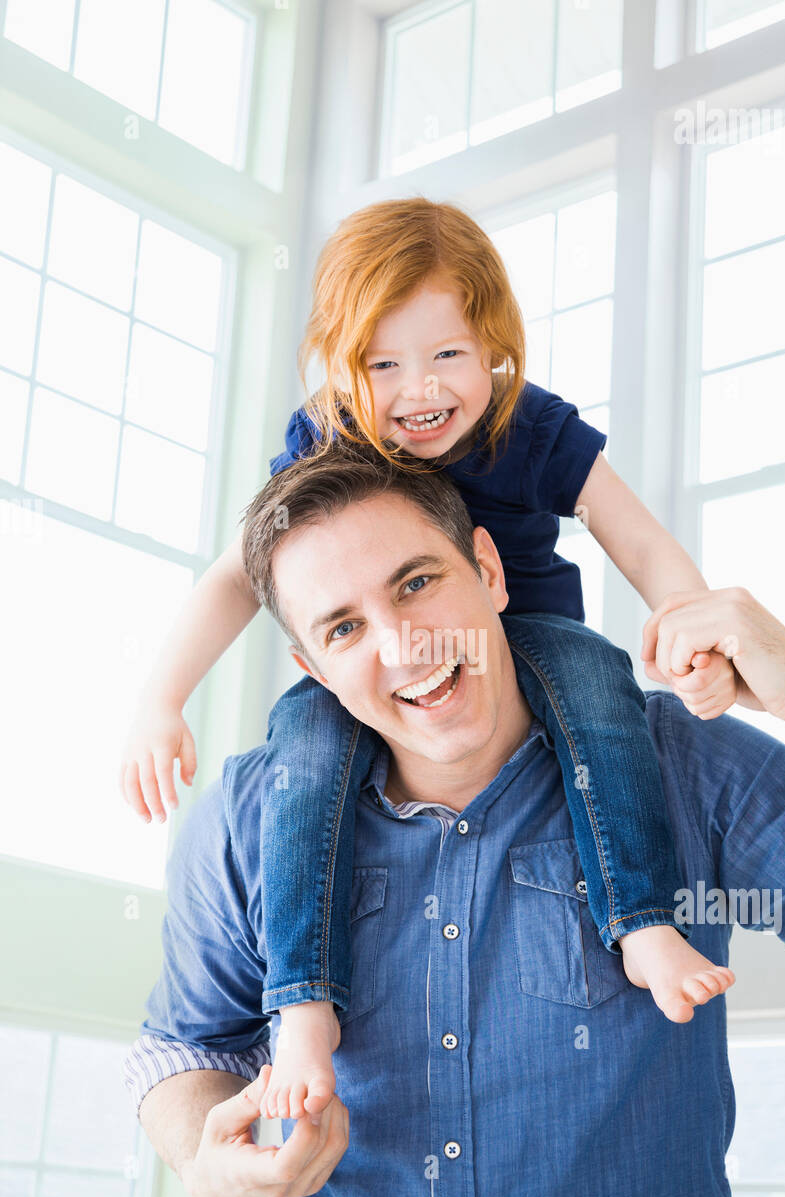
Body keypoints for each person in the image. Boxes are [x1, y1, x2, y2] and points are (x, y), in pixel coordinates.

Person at [126, 445, 785, 1197]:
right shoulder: (246, 820)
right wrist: (202, 1167)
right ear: (314, 671)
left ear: (488, 568)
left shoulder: (680, 765)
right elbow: (185, 1041)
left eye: (417, 583)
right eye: (344, 627)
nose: (405, 644)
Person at [126, 196, 742, 1125]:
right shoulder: (328, 438)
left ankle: (643, 918)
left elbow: (639, 537)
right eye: (384, 364)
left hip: (525, 634)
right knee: (302, 749)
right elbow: (236, 576)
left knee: (600, 689)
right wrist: (161, 698)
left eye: (447, 355)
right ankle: (301, 1001)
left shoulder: (529, 428)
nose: (419, 391)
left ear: (492, 344)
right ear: (342, 364)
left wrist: (692, 620)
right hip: (384, 678)